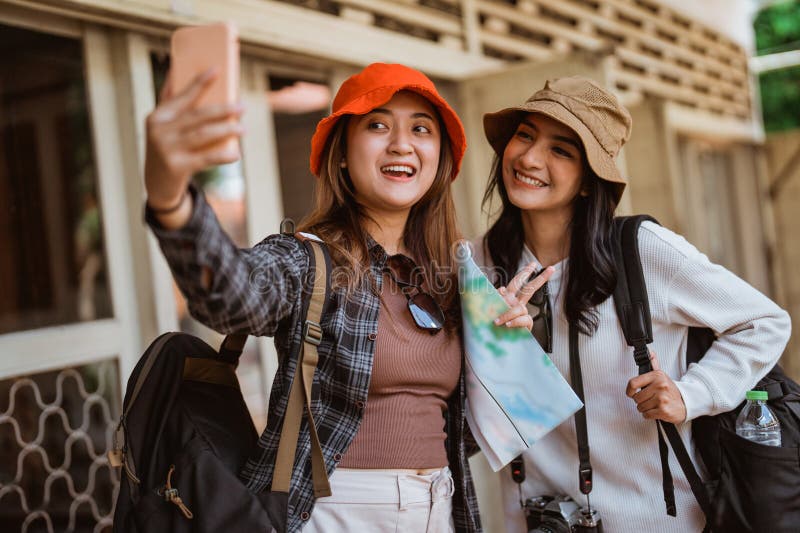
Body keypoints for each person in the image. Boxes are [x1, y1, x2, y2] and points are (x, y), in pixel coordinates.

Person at [143, 62, 549, 533]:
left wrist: (502, 348)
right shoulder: (308, 260)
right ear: (341, 154)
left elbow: (462, 433)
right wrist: (173, 201)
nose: (401, 143)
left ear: (440, 159)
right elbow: (235, 297)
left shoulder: (452, 279)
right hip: (331, 513)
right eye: (378, 125)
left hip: (441, 507)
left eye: (421, 128)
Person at [472, 77, 792, 532]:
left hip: (660, 520)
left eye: (561, 150)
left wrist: (690, 394)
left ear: (589, 182)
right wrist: (497, 349)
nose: (529, 158)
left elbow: (765, 322)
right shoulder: (484, 262)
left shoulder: (642, 251)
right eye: (525, 135)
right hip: (536, 519)